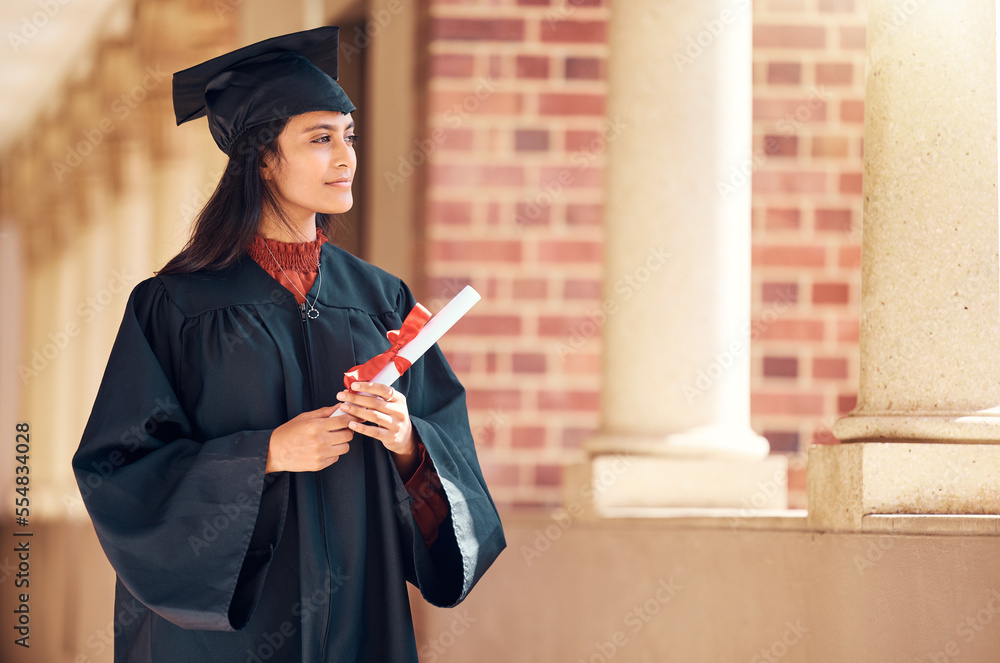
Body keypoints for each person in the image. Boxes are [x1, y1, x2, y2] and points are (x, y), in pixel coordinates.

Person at [72, 26, 505, 663]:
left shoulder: (379, 297)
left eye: (349, 137)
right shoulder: (175, 306)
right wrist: (265, 455)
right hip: (229, 636)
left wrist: (408, 442)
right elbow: (118, 470)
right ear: (262, 158)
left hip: (359, 611)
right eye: (321, 139)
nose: (347, 158)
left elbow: (452, 458)